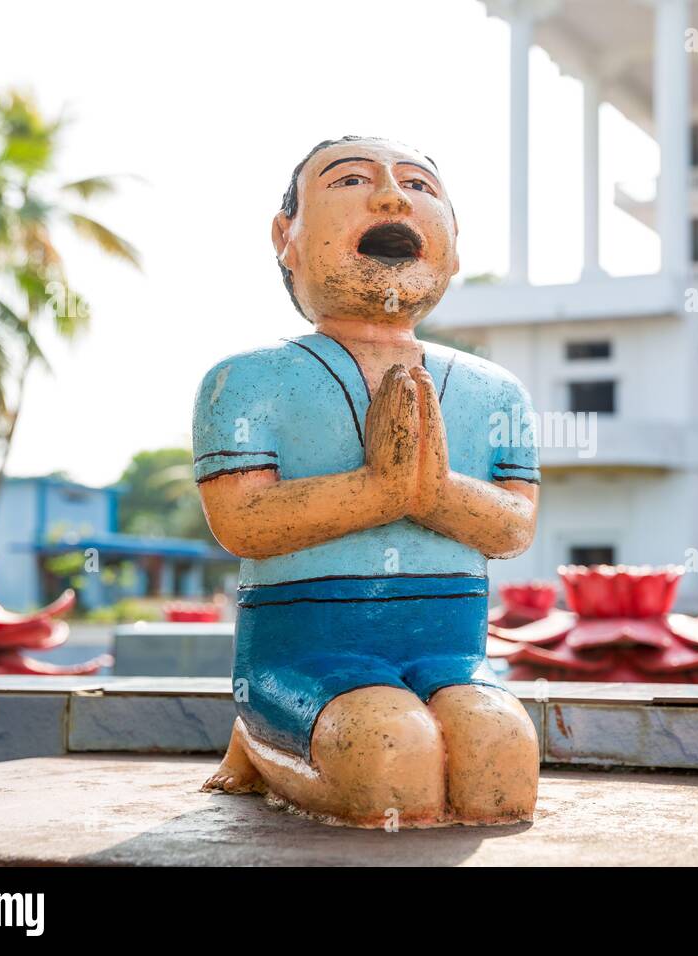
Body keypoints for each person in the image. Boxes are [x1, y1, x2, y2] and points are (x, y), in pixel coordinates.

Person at [195, 136, 541, 827]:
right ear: (285, 237)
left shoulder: (493, 390)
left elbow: (515, 526)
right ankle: (262, 740)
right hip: (304, 648)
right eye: (351, 180)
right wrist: (377, 493)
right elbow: (243, 522)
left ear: (453, 244)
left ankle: (287, 750)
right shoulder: (245, 381)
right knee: (390, 757)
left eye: (418, 186)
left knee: (501, 760)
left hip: (449, 649)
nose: (390, 196)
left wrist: (433, 493)